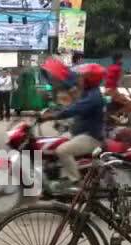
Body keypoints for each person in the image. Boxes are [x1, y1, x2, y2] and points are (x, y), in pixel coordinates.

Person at [39, 63, 106, 193]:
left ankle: (75, 182)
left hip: (90, 137)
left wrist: (52, 116)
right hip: (78, 133)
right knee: (51, 144)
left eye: (82, 77)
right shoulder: (87, 92)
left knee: (62, 151)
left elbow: (75, 109)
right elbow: (73, 104)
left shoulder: (93, 97)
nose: (79, 79)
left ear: (89, 79)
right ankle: (53, 175)